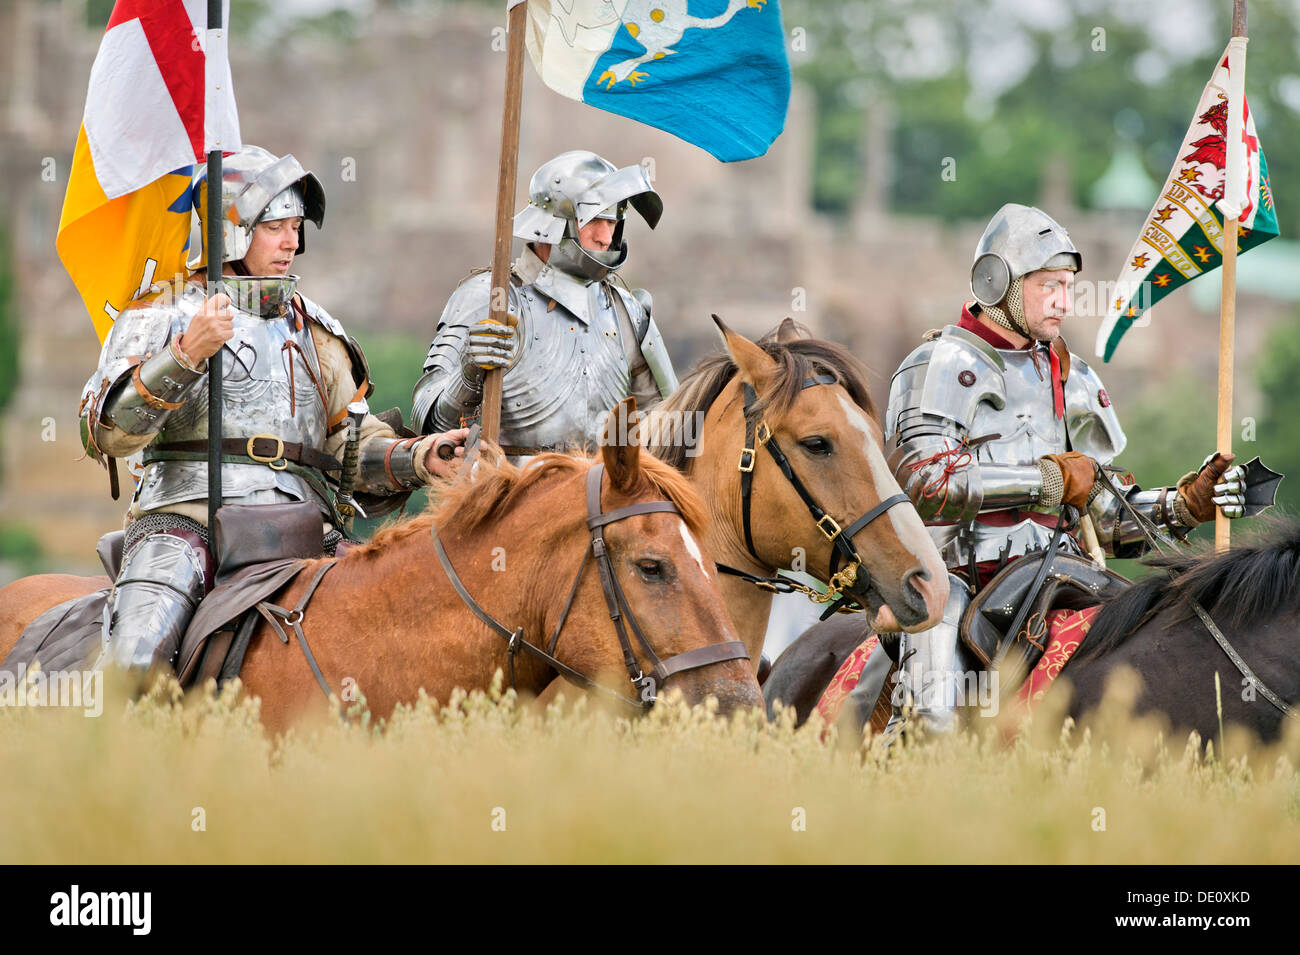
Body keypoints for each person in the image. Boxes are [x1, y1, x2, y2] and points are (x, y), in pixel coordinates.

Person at [79, 145, 467, 681]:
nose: (293, 242)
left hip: (307, 525)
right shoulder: (165, 311)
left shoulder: (316, 328)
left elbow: (348, 447)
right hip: (189, 522)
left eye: (296, 227)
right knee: (136, 661)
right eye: (275, 227)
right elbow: (109, 435)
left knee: (413, 628)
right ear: (232, 232)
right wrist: (185, 355)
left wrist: (419, 456)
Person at [882, 202, 1254, 731]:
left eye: (1068, 285)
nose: (1064, 301)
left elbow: (1105, 517)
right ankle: (912, 769)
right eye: (1048, 285)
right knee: (935, 709)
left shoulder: (1073, 378)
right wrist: (1049, 482)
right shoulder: (940, 364)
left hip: (1066, 572)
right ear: (998, 282)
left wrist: (1184, 504)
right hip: (959, 574)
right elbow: (927, 484)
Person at [412, 150, 678, 460]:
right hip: (507, 494)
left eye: (612, 221)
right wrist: (468, 374)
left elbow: (675, 429)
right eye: (593, 220)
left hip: (609, 499)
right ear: (553, 222)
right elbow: (429, 425)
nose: (606, 238)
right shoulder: (491, 298)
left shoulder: (628, 312)